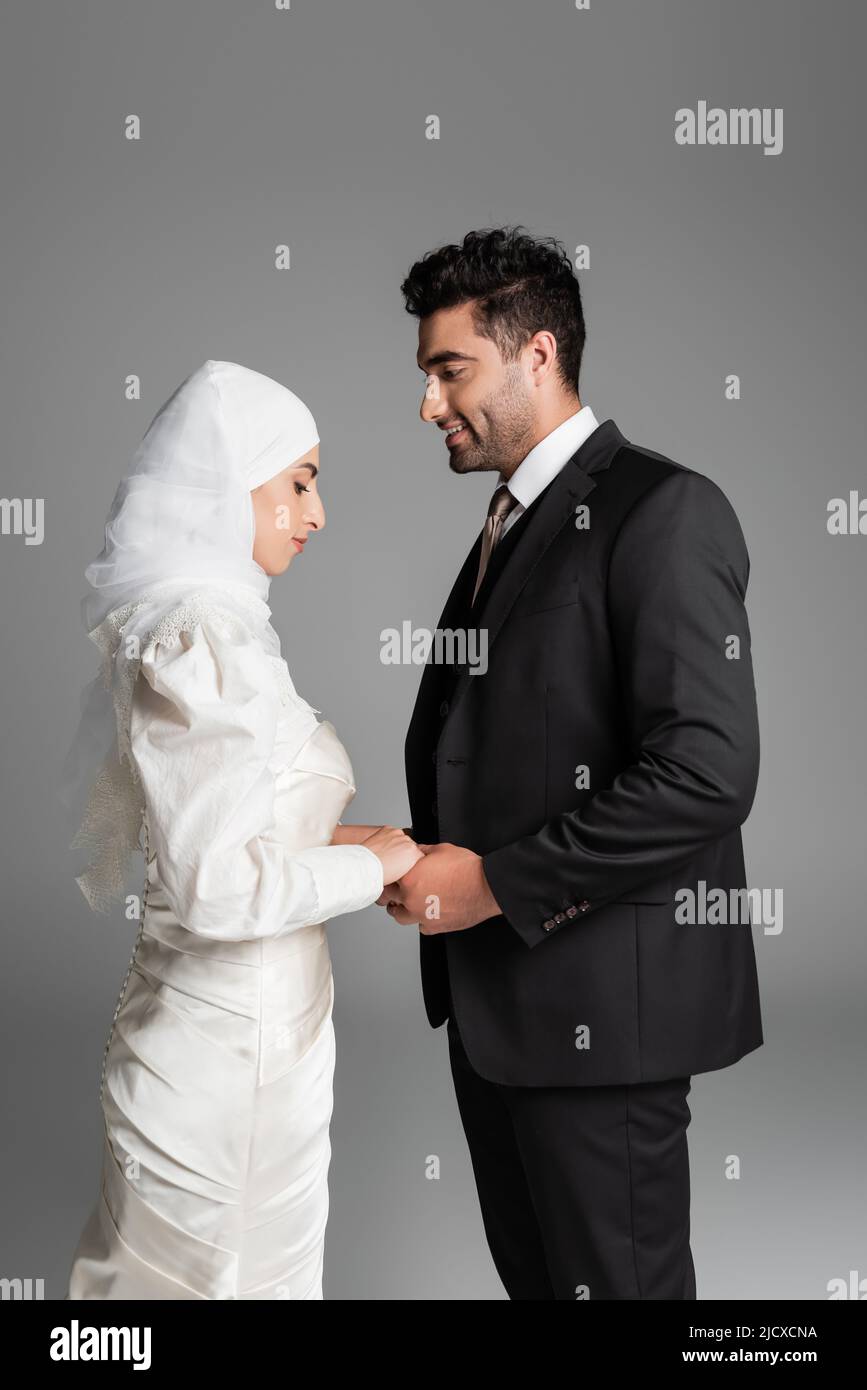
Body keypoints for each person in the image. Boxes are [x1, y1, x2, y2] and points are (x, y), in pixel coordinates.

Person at [382, 226, 763, 1300]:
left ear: (537, 355)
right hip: (502, 1011)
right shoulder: (512, 517)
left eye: (448, 370)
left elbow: (707, 770)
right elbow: (503, 748)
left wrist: (493, 883)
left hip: (605, 1022)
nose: (428, 404)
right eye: (424, 375)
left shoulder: (665, 510)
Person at [62, 359, 420, 1300]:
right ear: (228, 484)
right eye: (298, 481)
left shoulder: (215, 626)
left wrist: (355, 847)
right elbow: (218, 888)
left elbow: (232, 829)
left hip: (255, 1043)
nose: (317, 513)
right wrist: (362, 871)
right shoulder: (202, 637)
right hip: (232, 1065)